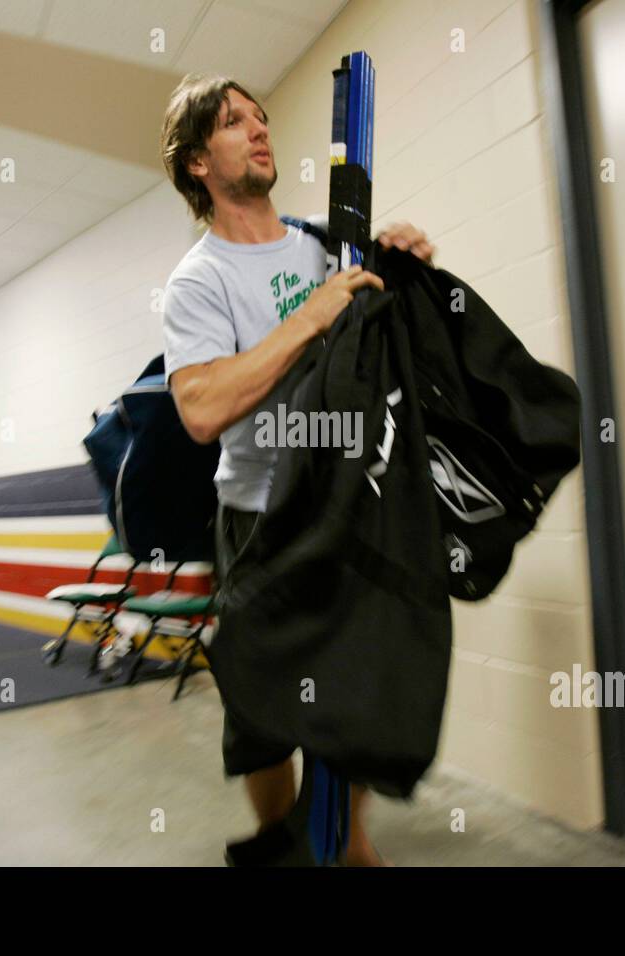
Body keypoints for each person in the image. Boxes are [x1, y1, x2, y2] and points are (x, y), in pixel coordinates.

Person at [159, 73, 436, 866]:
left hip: (346, 503)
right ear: (196, 165)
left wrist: (407, 264)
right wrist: (309, 318)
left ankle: (349, 848)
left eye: (261, 118)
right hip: (258, 516)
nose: (258, 130)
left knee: (352, 698)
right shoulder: (200, 280)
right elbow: (203, 409)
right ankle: (284, 843)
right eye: (233, 122)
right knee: (265, 712)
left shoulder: (328, 244)